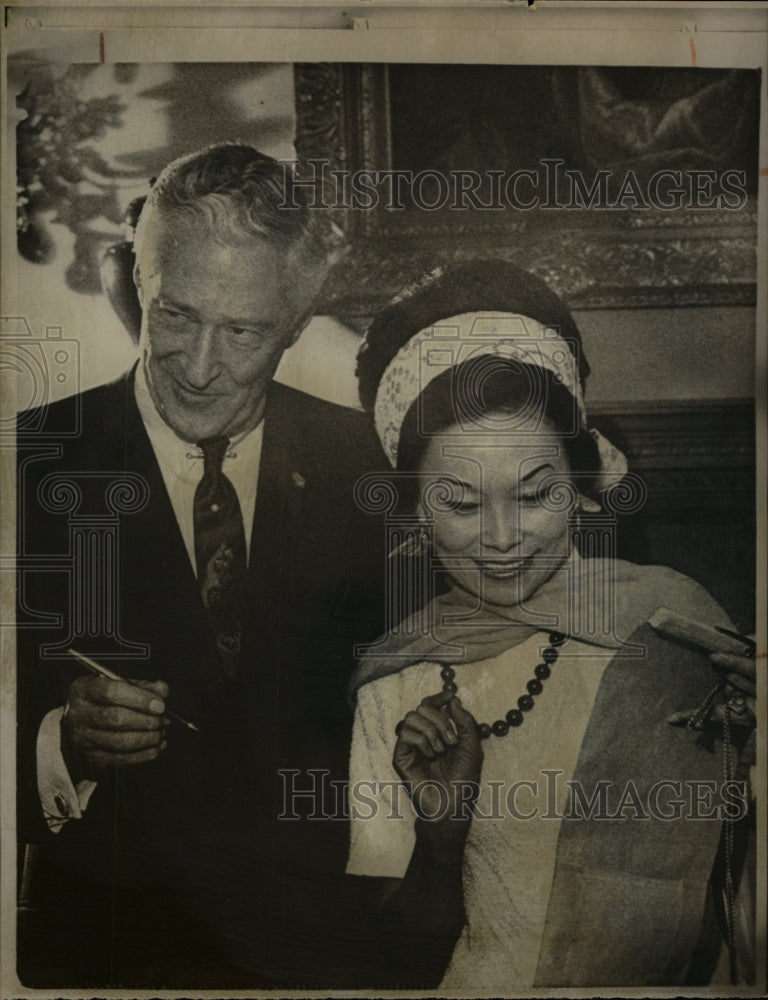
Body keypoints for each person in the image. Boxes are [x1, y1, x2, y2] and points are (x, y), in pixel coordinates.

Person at [16, 144, 385, 988]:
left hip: (324, 952)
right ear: (139, 285)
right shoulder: (30, 465)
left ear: (295, 326)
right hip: (105, 950)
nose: (200, 362)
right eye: (175, 315)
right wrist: (58, 743)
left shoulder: (368, 469)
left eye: (246, 331)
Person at [346, 260, 756, 990]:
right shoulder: (394, 683)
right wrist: (443, 834)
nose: (502, 538)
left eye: (534, 494)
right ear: (414, 516)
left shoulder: (677, 630)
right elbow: (390, 957)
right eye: (463, 505)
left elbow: (736, 887)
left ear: (582, 488)